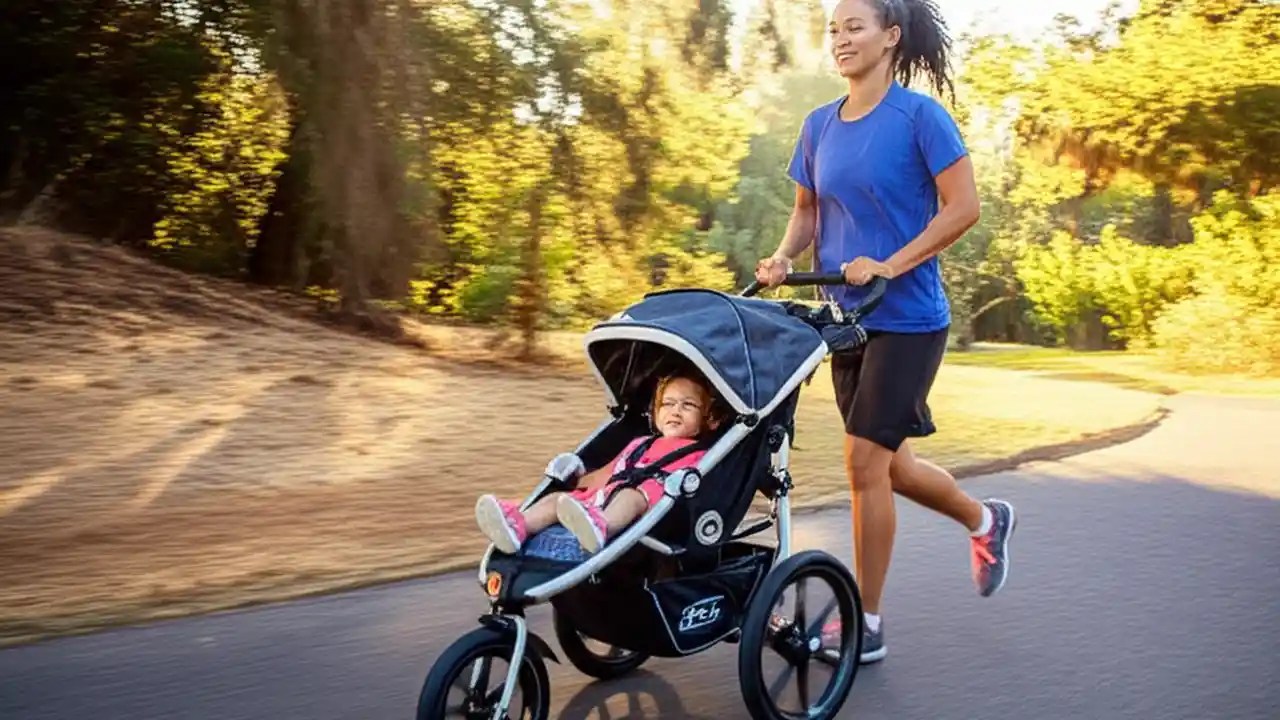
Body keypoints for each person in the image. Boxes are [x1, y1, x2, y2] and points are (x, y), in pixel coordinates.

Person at [754, 0, 1016, 665]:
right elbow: (808, 214)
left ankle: (865, 625)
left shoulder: (920, 118)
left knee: (863, 463)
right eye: (834, 30)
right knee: (891, 466)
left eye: (855, 27)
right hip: (846, 320)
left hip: (909, 318)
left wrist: (892, 264)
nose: (841, 40)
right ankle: (985, 520)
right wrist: (785, 258)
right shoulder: (818, 127)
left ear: (891, 37)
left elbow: (966, 208)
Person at [475, 374, 724, 554]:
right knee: (557, 500)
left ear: (709, 418)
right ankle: (517, 527)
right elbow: (609, 474)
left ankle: (602, 526)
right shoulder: (640, 443)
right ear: (656, 412)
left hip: (650, 509)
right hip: (602, 499)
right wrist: (577, 476)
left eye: (688, 405)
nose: (676, 411)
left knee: (630, 495)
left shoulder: (701, 453)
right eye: (668, 404)